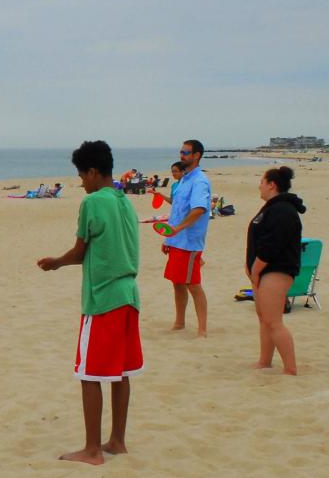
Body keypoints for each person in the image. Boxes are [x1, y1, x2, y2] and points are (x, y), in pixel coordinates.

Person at [36, 140, 142, 465]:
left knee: (90, 374)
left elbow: (80, 251)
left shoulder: (93, 202)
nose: (81, 182)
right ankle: (117, 441)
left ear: (94, 172)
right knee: (120, 371)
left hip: (103, 298)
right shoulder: (125, 201)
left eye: (82, 175)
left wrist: (56, 262)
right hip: (129, 296)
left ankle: (93, 449)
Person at [247, 167, 305, 375]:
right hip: (264, 272)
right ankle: (265, 361)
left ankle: (290, 368)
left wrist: (256, 268)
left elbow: (272, 244)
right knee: (264, 319)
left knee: (273, 321)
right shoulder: (271, 208)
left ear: (272, 184)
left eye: (262, 181)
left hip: (276, 270)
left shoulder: (282, 210)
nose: (259, 186)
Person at [163, 140, 212, 337]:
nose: (182, 155)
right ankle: (180, 322)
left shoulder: (199, 181)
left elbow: (199, 209)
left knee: (193, 284)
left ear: (197, 155)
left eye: (186, 152)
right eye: (181, 151)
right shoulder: (183, 180)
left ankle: (202, 329)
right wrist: (168, 239)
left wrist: (178, 229)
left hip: (189, 242)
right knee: (177, 282)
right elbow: (176, 210)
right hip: (176, 241)